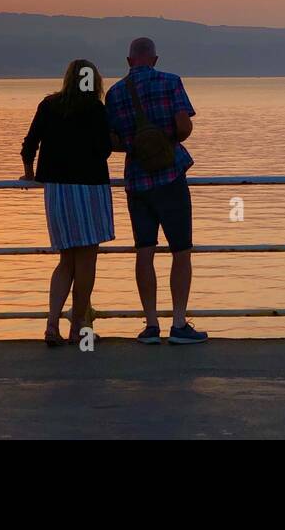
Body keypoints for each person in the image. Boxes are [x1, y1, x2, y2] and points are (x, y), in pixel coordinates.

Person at [104, 37, 208, 344]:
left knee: (144, 252)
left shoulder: (115, 92)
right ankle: (178, 324)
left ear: (129, 61)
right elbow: (184, 128)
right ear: (155, 59)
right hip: (171, 178)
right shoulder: (171, 82)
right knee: (181, 251)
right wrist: (163, 142)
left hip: (137, 182)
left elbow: (112, 141)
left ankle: (150, 326)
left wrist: (139, 146)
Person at [20, 58, 114, 347]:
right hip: (90, 188)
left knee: (65, 261)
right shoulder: (96, 110)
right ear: (94, 81)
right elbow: (105, 150)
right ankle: (77, 328)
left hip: (57, 190)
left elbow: (29, 146)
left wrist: (30, 174)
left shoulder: (49, 105)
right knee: (86, 261)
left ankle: (51, 323)